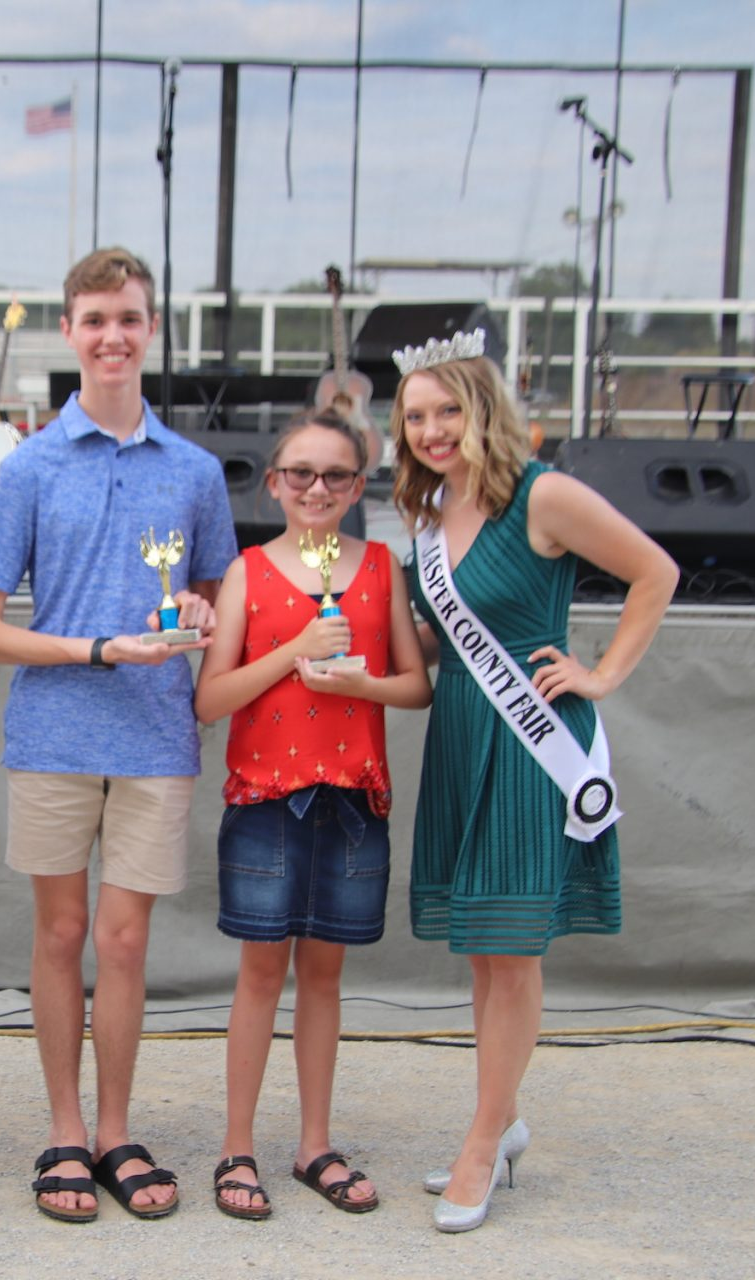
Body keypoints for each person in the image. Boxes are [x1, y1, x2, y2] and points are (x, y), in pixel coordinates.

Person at [0, 246, 238, 1223]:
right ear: (70, 331)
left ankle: (118, 1128)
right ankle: (65, 1127)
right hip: (53, 734)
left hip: (158, 741)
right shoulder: (29, 466)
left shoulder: (197, 472)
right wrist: (94, 649)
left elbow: (209, 595)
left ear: (150, 327)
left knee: (124, 941)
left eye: (129, 317)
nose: (112, 336)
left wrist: (201, 623)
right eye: (95, 319)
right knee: (63, 933)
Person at [391, 334, 676, 1233]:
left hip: (531, 738)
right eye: (414, 416)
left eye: (447, 410)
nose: (432, 430)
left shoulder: (542, 495)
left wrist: (602, 674)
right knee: (485, 947)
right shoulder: (432, 510)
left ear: (483, 408)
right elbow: (443, 638)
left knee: (513, 949)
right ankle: (502, 1116)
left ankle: (483, 1142)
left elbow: (654, 572)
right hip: (463, 731)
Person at [191, 407, 431, 1220]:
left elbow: (416, 684)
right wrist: (292, 654)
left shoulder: (381, 567)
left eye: (335, 475)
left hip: (353, 801)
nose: (317, 488)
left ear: (360, 486)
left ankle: (314, 1143)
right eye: (302, 473)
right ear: (275, 483)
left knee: (324, 977)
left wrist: (362, 686)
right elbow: (210, 699)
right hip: (266, 799)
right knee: (261, 972)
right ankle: (237, 1145)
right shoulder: (247, 572)